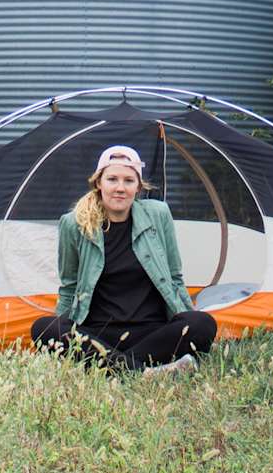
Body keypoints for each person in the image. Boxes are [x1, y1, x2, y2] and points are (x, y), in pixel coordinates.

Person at [30, 144, 217, 374]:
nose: (120, 188)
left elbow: (175, 277)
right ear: (99, 182)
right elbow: (69, 287)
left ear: (138, 186)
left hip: (153, 331)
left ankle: (113, 367)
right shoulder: (74, 223)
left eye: (128, 181)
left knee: (203, 324)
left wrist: (188, 317)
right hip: (99, 333)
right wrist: (62, 331)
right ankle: (146, 372)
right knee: (43, 328)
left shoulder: (158, 214)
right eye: (112, 179)